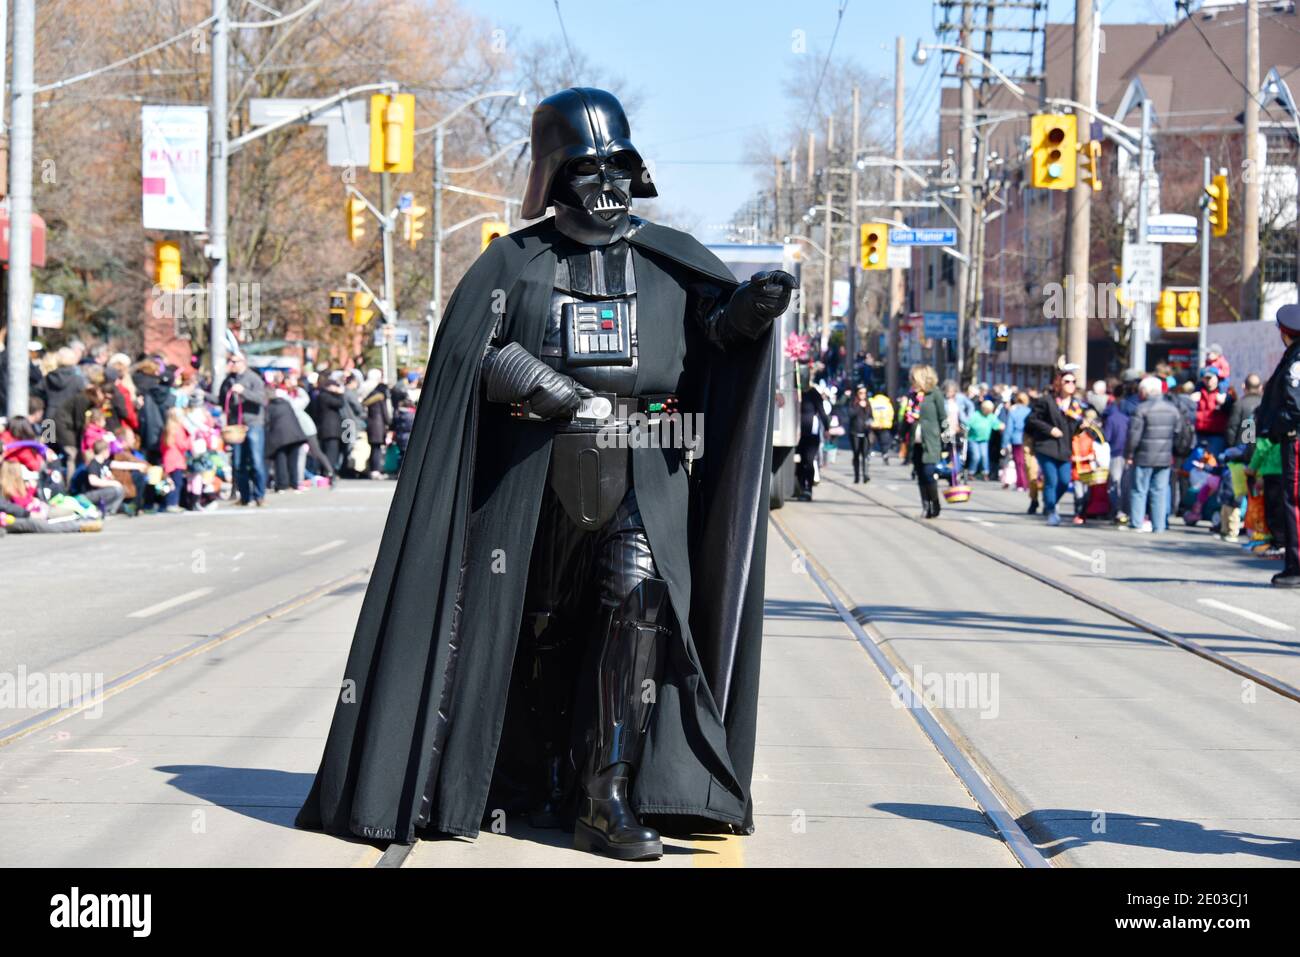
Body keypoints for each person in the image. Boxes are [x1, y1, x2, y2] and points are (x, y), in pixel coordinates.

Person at [296, 87, 792, 860]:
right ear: (555, 175)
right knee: (536, 630)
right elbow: (463, 356)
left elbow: (713, 339)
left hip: (642, 469)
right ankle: (514, 775)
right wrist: (524, 374)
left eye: (620, 166)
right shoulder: (514, 261)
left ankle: (609, 794)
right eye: (591, 167)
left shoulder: (669, 259)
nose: (609, 184)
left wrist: (749, 314)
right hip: (533, 477)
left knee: (639, 609)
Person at [1254, 303, 1300, 587]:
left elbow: (1295, 406)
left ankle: (1296, 566)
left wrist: (1277, 427)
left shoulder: (1296, 361)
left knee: (1293, 501)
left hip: (1295, 438)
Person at [1025, 366, 1085, 526]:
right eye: (1067, 381)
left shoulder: (1075, 405)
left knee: (1065, 481)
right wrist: (1050, 429)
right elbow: (1032, 420)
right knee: (1051, 479)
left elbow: (1073, 430)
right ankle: (1051, 511)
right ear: (1059, 383)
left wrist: (1082, 426)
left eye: (1073, 382)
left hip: (1064, 448)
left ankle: (1049, 501)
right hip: (1046, 446)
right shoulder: (1047, 401)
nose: (1070, 384)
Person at [1124, 376, 1181, 534]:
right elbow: (1178, 432)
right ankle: (1159, 525)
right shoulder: (1172, 409)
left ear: (1144, 391)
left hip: (1143, 456)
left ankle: (1136, 523)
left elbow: (1134, 435)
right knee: (1160, 490)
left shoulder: (1141, 409)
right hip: (1164, 456)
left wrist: (1129, 453)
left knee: (1139, 490)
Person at [218, 354, 268, 506]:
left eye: (235, 361)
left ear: (243, 362)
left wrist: (243, 391)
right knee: (238, 463)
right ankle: (246, 497)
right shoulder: (228, 380)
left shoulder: (254, 378)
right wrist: (203, 396)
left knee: (256, 461)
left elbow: (262, 399)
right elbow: (221, 401)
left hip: (253, 424)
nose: (231, 364)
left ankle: (260, 496)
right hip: (236, 427)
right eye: (230, 361)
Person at [909, 364, 945, 518]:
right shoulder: (913, 396)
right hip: (916, 441)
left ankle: (934, 503)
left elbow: (942, 417)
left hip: (931, 440)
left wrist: (947, 441)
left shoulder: (935, 394)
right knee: (920, 474)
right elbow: (908, 417)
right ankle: (925, 505)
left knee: (928, 472)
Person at [75, 438, 126, 517]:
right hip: (88, 495)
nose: (109, 451)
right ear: (104, 450)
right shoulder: (94, 463)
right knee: (117, 488)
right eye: (108, 449)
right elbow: (93, 481)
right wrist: (113, 483)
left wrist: (140, 466)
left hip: (101, 492)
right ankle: (101, 511)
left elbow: (121, 464)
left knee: (121, 489)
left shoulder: (105, 462)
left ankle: (109, 511)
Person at [965, 399, 1003, 481]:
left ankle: (985, 473)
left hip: (984, 440)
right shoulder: (975, 415)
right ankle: (971, 472)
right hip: (973, 439)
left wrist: (1001, 426)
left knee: (984, 456)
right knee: (976, 456)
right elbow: (968, 424)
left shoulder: (991, 416)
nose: (988, 412)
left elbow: (997, 424)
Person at [846, 385, 873, 484]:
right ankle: (857, 476)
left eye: (864, 393)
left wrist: (870, 422)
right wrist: (858, 407)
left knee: (865, 455)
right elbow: (850, 414)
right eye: (861, 393)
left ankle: (865, 475)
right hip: (855, 433)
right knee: (856, 454)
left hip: (866, 433)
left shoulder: (868, 403)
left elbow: (871, 416)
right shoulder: (853, 403)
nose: (863, 395)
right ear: (857, 394)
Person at [1005, 391, 1031, 491]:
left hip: (1016, 439)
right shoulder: (1029, 411)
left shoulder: (1013, 412)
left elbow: (1009, 429)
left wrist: (1005, 443)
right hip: (1028, 439)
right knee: (1027, 462)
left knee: (1019, 463)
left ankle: (1021, 483)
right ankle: (1028, 483)